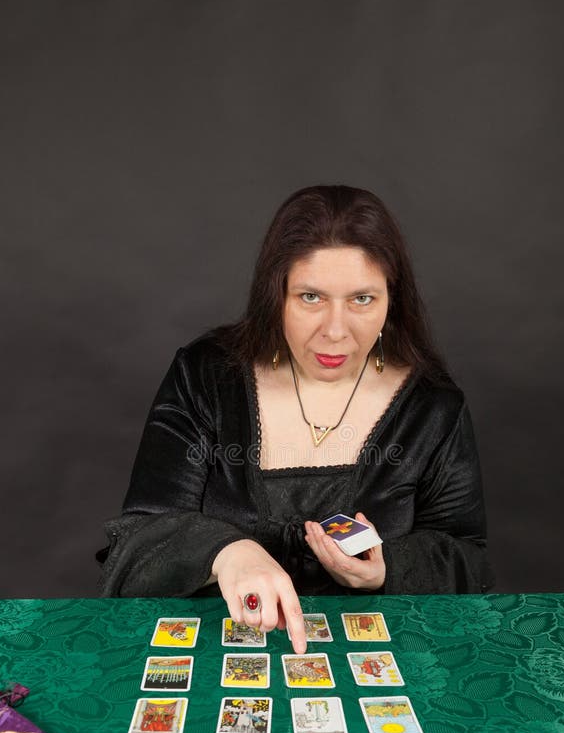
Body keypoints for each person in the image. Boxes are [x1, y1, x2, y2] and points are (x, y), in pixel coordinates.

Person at [97, 185, 493, 654]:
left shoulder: (433, 405)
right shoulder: (205, 374)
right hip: (215, 659)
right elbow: (136, 541)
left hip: (373, 662)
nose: (335, 330)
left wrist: (389, 567)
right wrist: (227, 554)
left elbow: (470, 560)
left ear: (392, 301)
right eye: (310, 297)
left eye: (363, 299)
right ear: (275, 297)